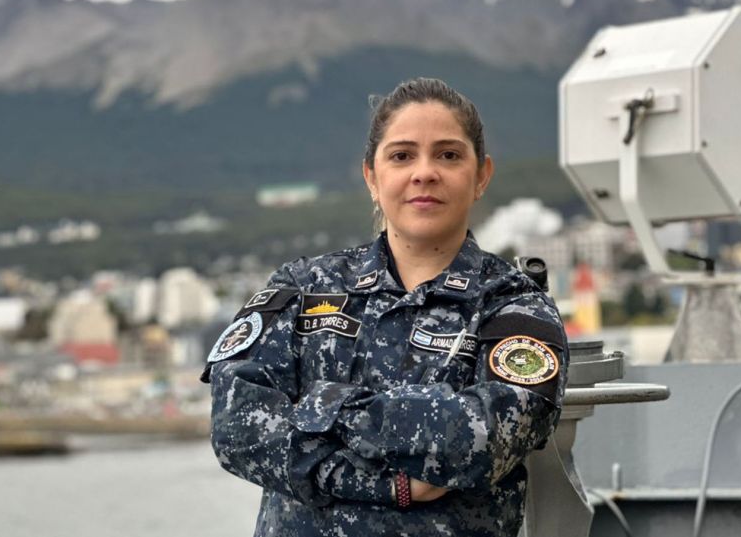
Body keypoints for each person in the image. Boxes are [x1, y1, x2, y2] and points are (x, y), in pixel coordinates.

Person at [201, 77, 568, 537]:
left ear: (481, 176)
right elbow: (237, 428)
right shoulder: (304, 287)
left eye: (449, 155)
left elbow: (479, 440)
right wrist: (390, 485)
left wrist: (321, 403)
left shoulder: (515, 305)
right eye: (401, 155)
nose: (424, 172)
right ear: (372, 177)